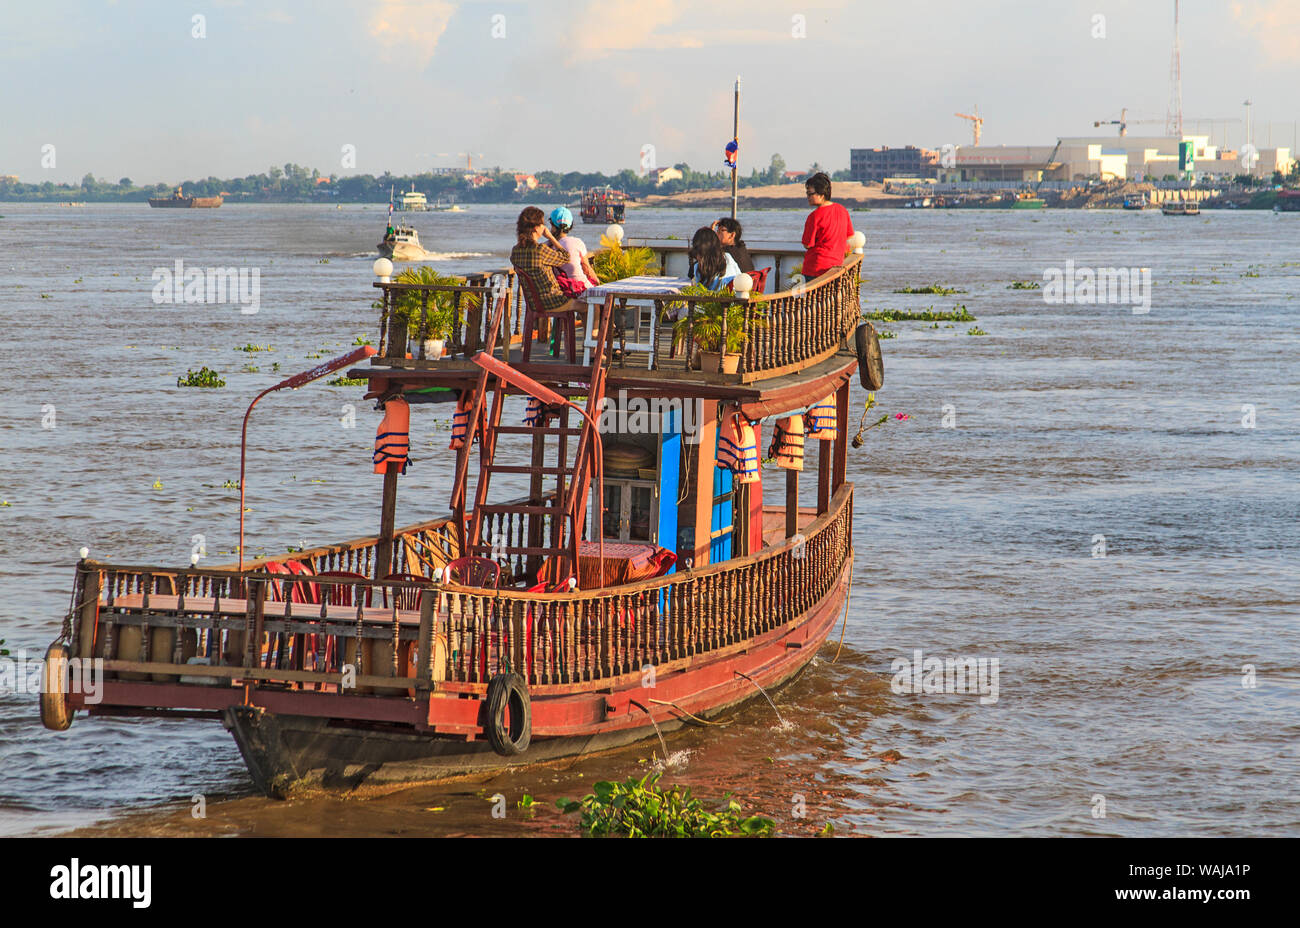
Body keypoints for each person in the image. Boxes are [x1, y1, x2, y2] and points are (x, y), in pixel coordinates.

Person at [510, 205, 575, 315]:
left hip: (533, 304)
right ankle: (592, 333)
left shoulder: (515, 251)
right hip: (554, 302)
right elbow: (566, 257)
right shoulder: (540, 250)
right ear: (536, 228)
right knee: (587, 306)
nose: (545, 227)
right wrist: (551, 237)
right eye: (543, 224)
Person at [801, 172, 854, 280]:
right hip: (836, 267)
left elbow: (807, 244)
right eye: (807, 194)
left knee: (812, 297)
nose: (808, 197)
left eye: (810, 194)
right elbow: (848, 235)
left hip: (815, 268)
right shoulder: (842, 210)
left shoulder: (814, 216)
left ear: (821, 194)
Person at [548, 206, 599, 297]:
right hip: (582, 288)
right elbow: (587, 269)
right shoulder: (577, 242)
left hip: (563, 291)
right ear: (570, 226)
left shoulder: (548, 247)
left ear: (552, 225)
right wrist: (598, 284)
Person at [687, 227, 741, 291]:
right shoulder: (728, 257)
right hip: (735, 297)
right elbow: (740, 276)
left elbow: (700, 293)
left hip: (716, 299)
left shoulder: (698, 268)